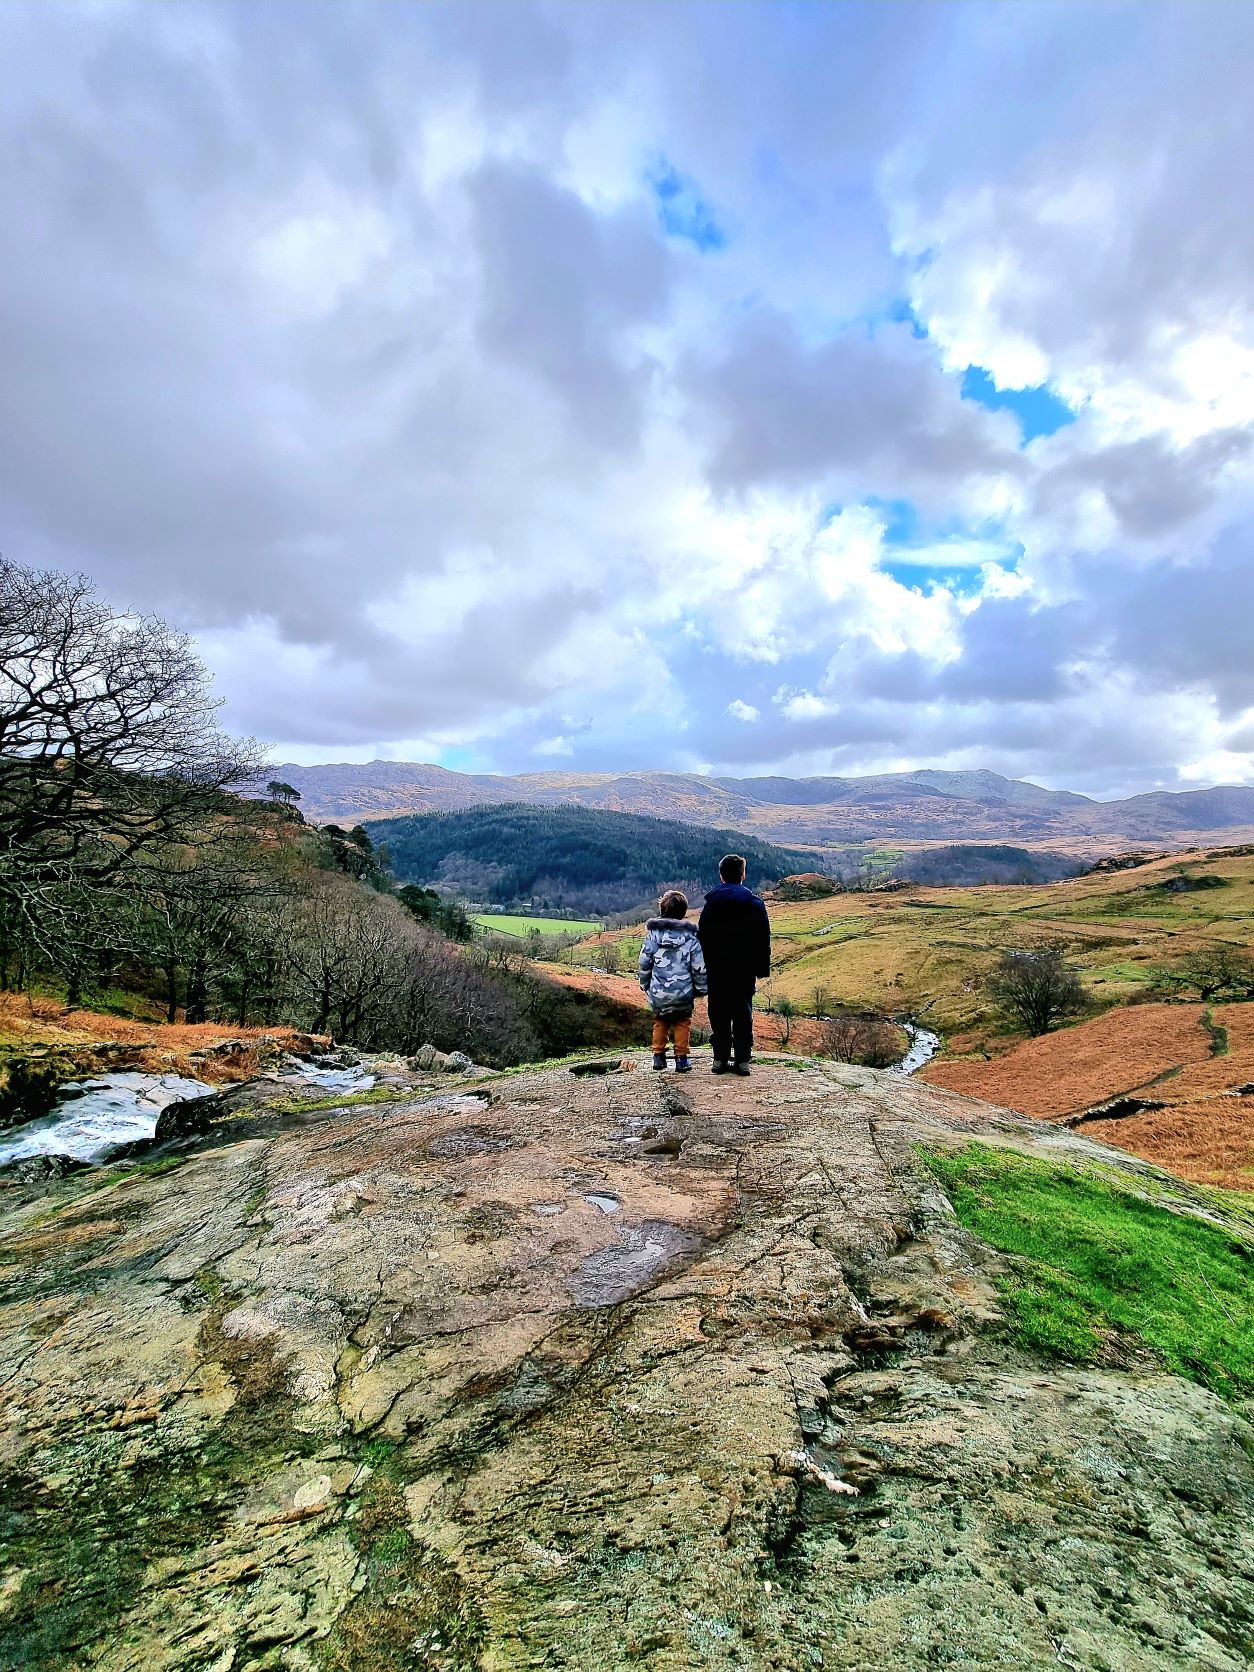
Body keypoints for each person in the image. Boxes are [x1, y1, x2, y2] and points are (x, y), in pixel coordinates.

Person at [697, 854, 771, 1075]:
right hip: (744, 969)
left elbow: (703, 937)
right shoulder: (755, 904)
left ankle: (719, 1059)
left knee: (718, 1012)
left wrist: (704, 966)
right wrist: (761, 968)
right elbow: (762, 938)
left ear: (721, 876)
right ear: (743, 875)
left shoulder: (711, 905)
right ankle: (742, 1060)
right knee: (742, 1012)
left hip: (717, 969)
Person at [638, 889, 707, 1072]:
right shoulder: (691, 938)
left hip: (659, 992)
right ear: (684, 912)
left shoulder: (652, 937)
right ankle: (681, 1060)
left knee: (660, 1021)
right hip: (683, 993)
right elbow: (699, 967)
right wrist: (701, 989)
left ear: (662, 910)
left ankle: (658, 1057)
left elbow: (644, 964)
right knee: (682, 1022)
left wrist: (645, 984)